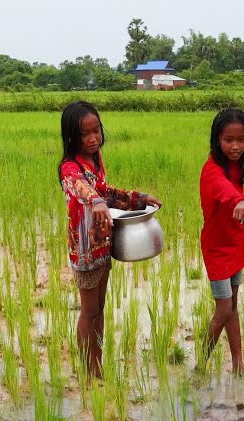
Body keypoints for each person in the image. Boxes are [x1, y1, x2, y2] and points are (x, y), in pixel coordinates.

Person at [57, 101, 159, 380]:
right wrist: (97, 202)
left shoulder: (96, 158)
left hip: (104, 244)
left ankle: (97, 366)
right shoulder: (69, 167)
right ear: (71, 137)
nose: (93, 139)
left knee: (100, 310)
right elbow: (83, 189)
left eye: (96, 131)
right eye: (85, 134)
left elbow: (105, 191)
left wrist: (137, 198)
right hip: (86, 250)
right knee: (89, 312)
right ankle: (86, 372)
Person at [198, 107, 244, 375]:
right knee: (223, 309)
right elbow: (224, 192)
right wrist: (240, 201)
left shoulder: (235, 166)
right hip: (217, 249)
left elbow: (234, 197)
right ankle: (201, 364)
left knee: (233, 305)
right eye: (228, 140)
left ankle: (237, 363)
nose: (235, 146)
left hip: (235, 243)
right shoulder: (212, 170)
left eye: (241, 140)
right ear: (216, 140)